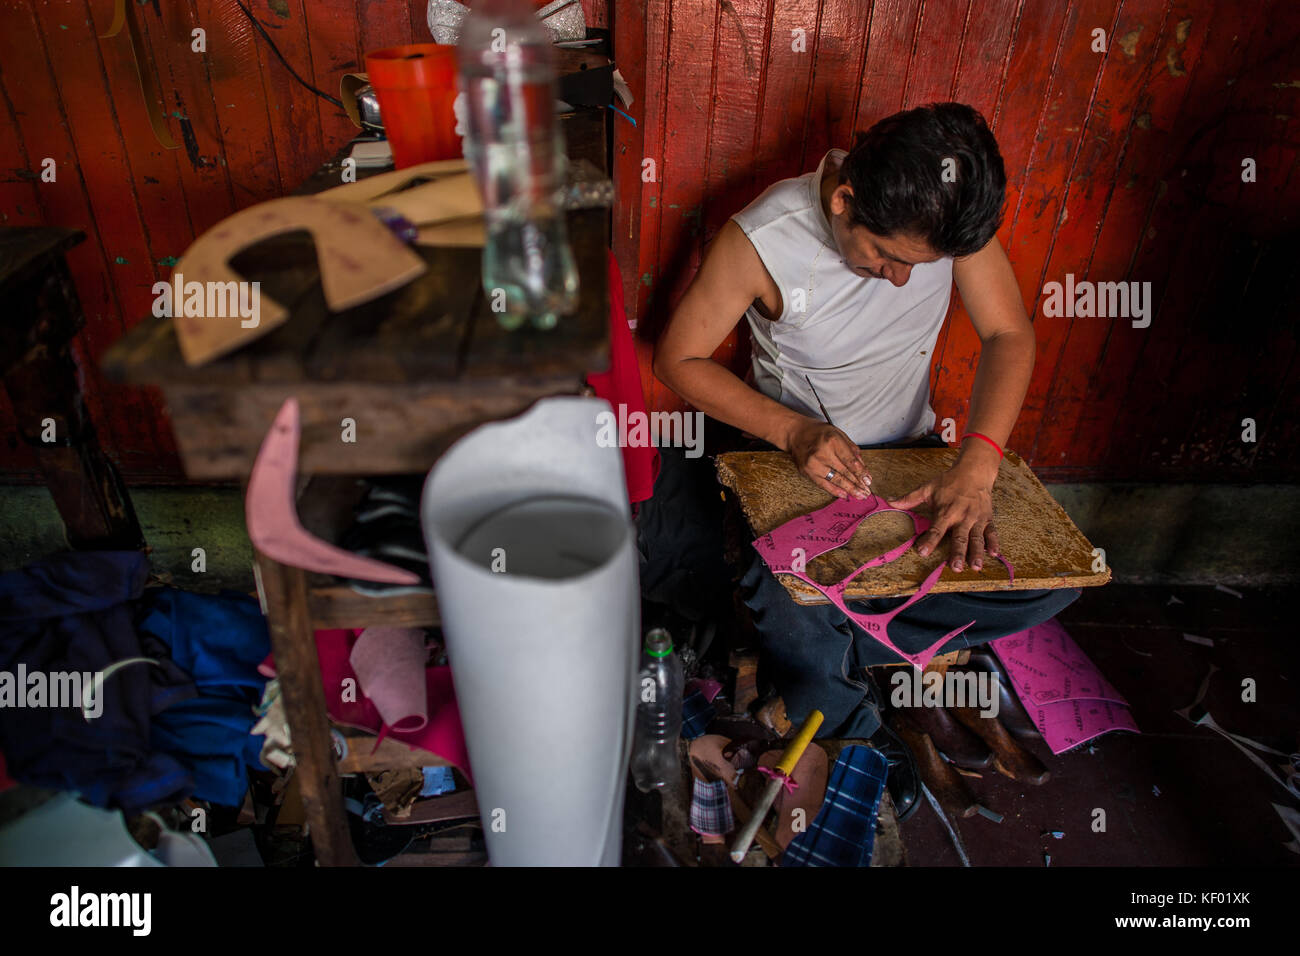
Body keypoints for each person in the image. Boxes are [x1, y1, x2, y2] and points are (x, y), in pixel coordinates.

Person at [651, 103, 1079, 813]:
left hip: (913, 459)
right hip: (795, 466)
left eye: (923, 266)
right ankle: (855, 716)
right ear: (845, 200)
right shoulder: (764, 238)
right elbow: (678, 358)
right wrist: (793, 431)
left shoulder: (942, 211)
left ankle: (832, 668)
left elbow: (1009, 334)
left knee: (1050, 583)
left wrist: (976, 466)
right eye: (888, 258)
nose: (904, 281)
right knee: (791, 597)